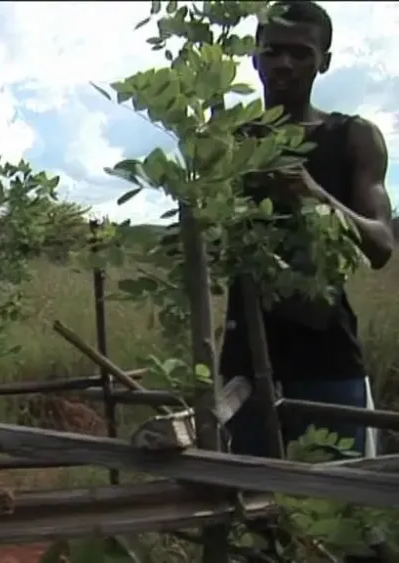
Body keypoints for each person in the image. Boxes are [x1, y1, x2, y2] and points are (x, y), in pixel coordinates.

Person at [220, 2, 393, 561]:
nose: (285, 63)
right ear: (254, 55)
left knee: (349, 522)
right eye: (273, 49)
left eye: (302, 52)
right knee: (253, 523)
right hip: (246, 359)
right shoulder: (227, 141)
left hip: (327, 362)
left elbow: (382, 245)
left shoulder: (352, 139)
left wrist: (314, 195)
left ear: (325, 61)